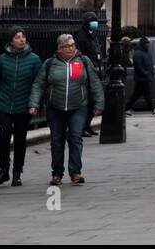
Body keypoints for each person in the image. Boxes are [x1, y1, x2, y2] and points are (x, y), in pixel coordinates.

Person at [29, 34, 104, 186]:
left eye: (72, 45)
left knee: (75, 138)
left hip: (78, 106)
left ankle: (75, 172)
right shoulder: (50, 63)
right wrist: (33, 104)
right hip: (55, 108)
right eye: (67, 46)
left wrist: (99, 104)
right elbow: (39, 84)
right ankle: (57, 173)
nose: (71, 48)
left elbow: (95, 83)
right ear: (59, 49)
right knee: (57, 141)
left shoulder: (83, 61)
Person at [0, 26, 43, 187]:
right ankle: (4, 170)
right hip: (4, 105)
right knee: (3, 137)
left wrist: (35, 104)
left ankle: (17, 172)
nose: (21, 39)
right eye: (18, 37)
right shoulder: (2, 60)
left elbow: (38, 84)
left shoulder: (34, 59)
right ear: (11, 40)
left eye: (23, 36)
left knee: (19, 139)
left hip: (24, 106)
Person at [73, 16, 103, 138]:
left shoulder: (93, 34)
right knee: (86, 101)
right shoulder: (81, 36)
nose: (95, 24)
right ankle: (82, 127)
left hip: (95, 69)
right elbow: (78, 55)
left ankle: (87, 125)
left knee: (92, 101)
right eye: (92, 22)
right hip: (86, 71)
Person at [126, 37, 155, 116]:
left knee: (136, 95)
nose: (148, 45)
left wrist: (150, 73)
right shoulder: (138, 53)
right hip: (142, 78)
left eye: (148, 43)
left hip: (145, 77)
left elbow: (149, 64)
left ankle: (126, 109)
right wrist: (146, 73)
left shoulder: (146, 52)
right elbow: (138, 66)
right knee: (147, 94)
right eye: (146, 43)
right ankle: (153, 110)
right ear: (142, 44)